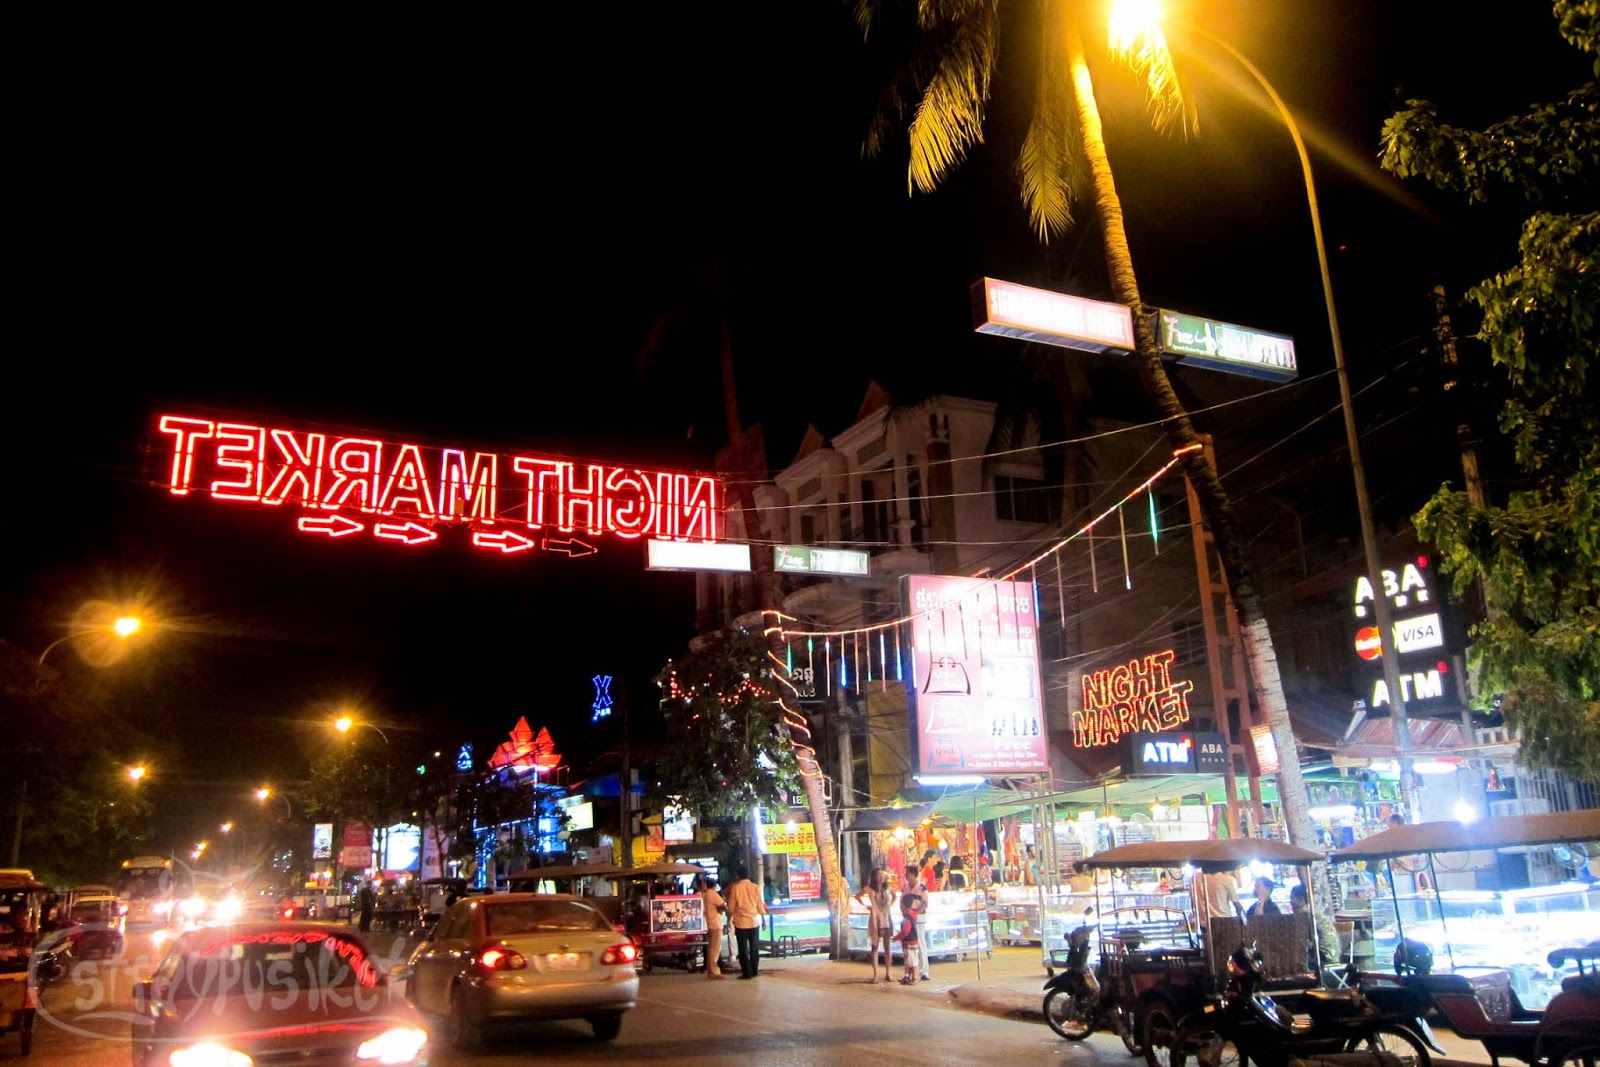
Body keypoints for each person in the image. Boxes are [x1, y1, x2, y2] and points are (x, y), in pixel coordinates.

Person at [725, 866, 767, 979]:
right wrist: (763, 920)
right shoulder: (755, 887)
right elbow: (760, 905)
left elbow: (732, 907)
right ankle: (754, 970)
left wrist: (729, 921)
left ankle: (746, 973)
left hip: (741, 923)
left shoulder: (736, 888)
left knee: (743, 949)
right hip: (754, 922)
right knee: (754, 947)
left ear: (738, 875)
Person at [856, 868, 896, 983]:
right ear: (874, 877)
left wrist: (889, 906)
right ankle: (876, 974)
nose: (881, 877)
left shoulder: (888, 887)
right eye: (879, 875)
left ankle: (888, 972)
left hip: (886, 918)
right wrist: (867, 906)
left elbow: (894, 897)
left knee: (888, 946)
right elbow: (857, 896)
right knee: (875, 947)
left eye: (882, 875)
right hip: (875, 919)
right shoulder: (870, 889)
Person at [902, 863, 931, 981]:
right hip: (909, 918)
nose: (906, 876)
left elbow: (925, 904)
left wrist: (916, 913)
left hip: (919, 919)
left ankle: (924, 971)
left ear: (913, 874)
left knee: (921, 943)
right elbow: (902, 903)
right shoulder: (905, 888)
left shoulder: (922, 888)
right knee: (909, 946)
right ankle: (909, 972)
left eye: (908, 874)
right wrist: (906, 913)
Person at [700, 874, 727, 979]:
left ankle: (711, 971)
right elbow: (722, 906)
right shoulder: (713, 894)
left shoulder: (707, 894)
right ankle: (714, 972)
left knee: (712, 948)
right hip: (715, 923)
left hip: (711, 923)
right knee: (715, 949)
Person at [894, 892, 922, 985]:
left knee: (911, 961)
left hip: (909, 942)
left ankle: (914, 977)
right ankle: (909, 976)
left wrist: (897, 938)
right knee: (912, 960)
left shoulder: (906, 919)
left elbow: (905, 932)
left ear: (903, 906)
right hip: (913, 942)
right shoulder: (913, 916)